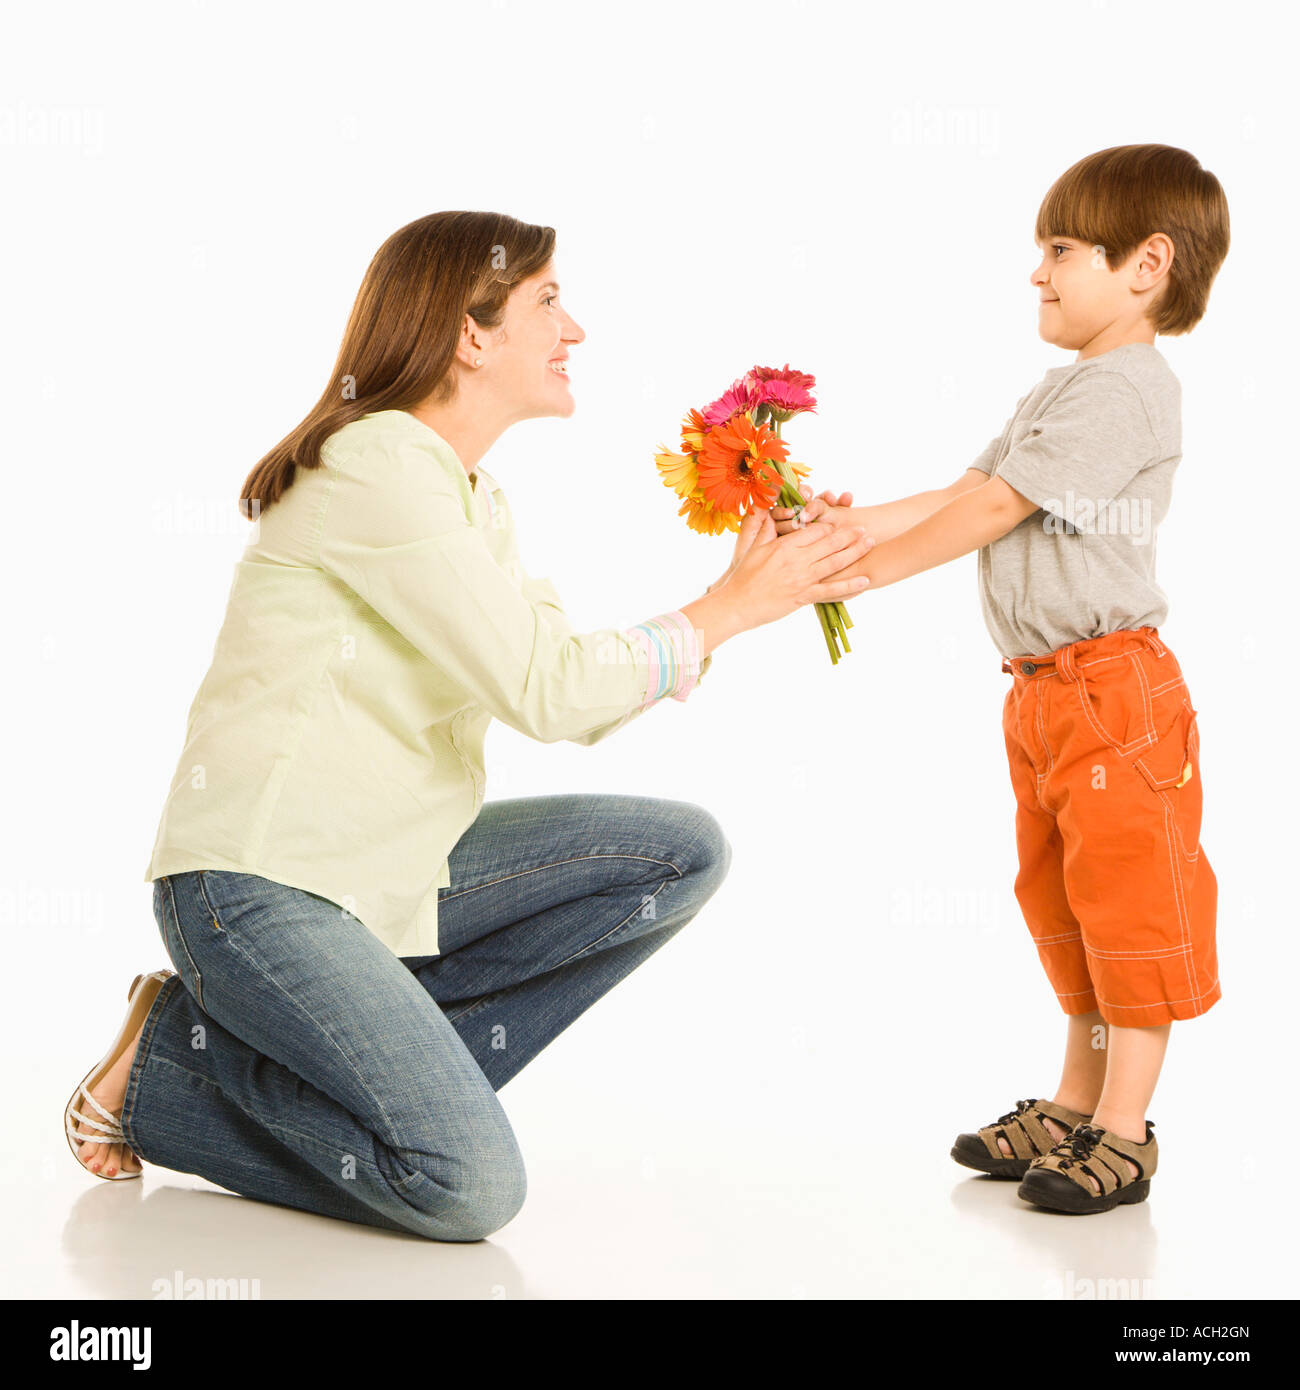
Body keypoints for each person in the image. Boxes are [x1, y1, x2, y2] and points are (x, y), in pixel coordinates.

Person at [63, 210, 873, 1239]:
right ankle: (167, 1075)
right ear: (470, 333)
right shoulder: (377, 465)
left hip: (381, 875)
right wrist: (730, 606)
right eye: (548, 301)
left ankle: (340, 1066)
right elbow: (547, 687)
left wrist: (732, 606)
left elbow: (564, 692)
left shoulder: (473, 495)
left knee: (673, 854)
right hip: (261, 887)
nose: (573, 329)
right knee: (463, 1185)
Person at [773, 144, 1229, 1214]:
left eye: (1061, 250)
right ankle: (1074, 1102)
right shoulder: (1061, 390)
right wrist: (834, 527)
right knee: (1063, 900)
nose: (1037, 272)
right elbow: (967, 485)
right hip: (1044, 695)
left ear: (1144, 265)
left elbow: (988, 514)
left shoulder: (1125, 392)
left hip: (1113, 695)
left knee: (1127, 905)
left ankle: (1123, 1129)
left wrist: (863, 572)